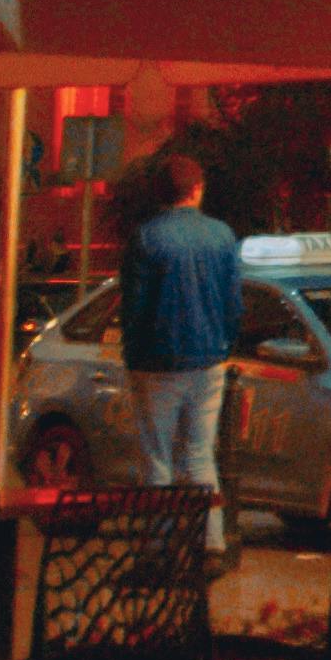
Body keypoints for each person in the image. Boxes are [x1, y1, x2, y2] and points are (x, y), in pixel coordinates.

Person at [116, 142, 249, 511]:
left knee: (157, 459)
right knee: (199, 455)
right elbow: (233, 302)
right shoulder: (221, 236)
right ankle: (209, 541)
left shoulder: (146, 237)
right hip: (208, 361)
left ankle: (161, 544)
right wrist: (224, 345)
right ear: (197, 189)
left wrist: (134, 352)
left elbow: (135, 305)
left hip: (156, 363)